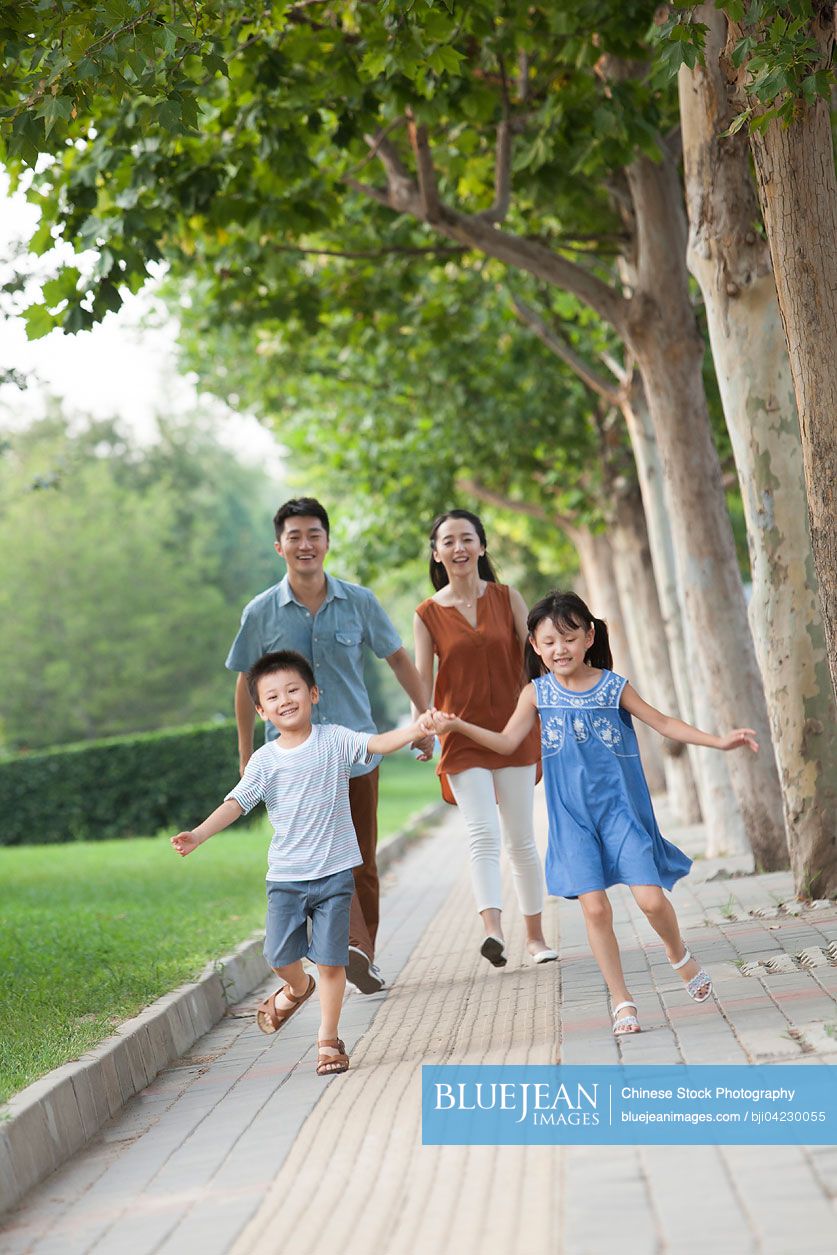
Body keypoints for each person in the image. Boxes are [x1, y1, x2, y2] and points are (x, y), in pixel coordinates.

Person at [431, 590, 760, 1036]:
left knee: (649, 899)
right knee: (596, 910)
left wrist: (720, 742)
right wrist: (457, 726)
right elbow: (509, 743)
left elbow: (663, 723)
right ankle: (622, 1000)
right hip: (572, 821)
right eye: (547, 642)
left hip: (621, 812)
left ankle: (678, 953)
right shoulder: (536, 694)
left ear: (589, 636)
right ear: (533, 646)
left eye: (567, 638)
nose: (558, 650)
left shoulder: (613, 685)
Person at [172, 649, 435, 1075]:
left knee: (332, 960)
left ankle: (328, 1042)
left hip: (334, 873)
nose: (285, 700)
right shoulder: (265, 760)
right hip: (287, 878)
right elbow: (237, 803)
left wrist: (414, 729)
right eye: (273, 696)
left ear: (314, 693)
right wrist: (198, 835)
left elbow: (375, 743)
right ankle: (296, 988)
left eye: (294, 689)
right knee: (278, 955)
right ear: (261, 710)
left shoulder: (334, 739)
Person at [226, 497, 433, 996]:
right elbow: (244, 688)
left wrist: (423, 720)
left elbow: (400, 660)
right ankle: (344, 949)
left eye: (313, 534)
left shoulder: (358, 601)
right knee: (312, 861)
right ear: (279, 546)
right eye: (294, 536)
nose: (305, 544)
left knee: (360, 858)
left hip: (357, 751)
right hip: (293, 762)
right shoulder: (260, 613)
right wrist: (245, 756)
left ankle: (362, 955)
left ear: (327, 541)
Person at [413, 509, 556, 969]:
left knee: (520, 839)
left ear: (481, 546)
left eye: (467, 538)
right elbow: (423, 680)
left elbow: (536, 655)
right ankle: (492, 931)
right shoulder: (427, 615)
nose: (458, 548)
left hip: (514, 730)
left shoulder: (507, 597)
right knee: (481, 834)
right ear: (436, 554)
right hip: (461, 735)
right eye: (448, 541)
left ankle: (535, 938)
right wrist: (424, 730)